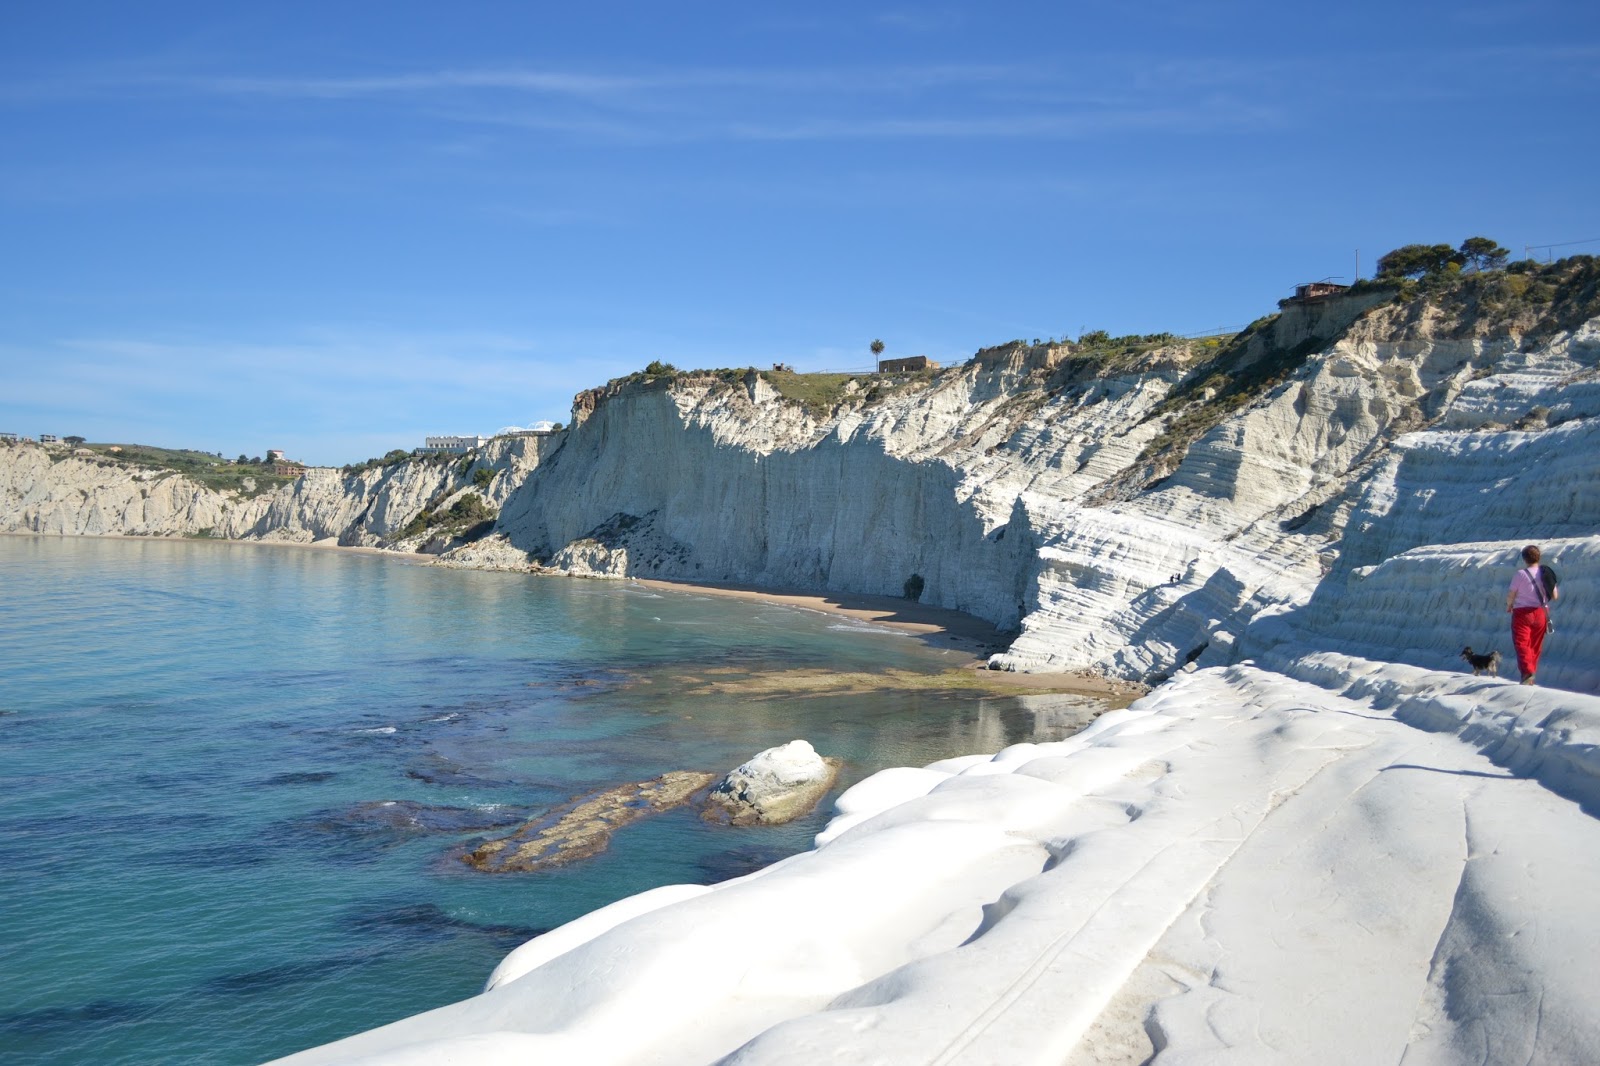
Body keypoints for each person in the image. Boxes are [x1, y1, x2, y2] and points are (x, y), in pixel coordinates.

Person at [1505, 545, 1559, 685]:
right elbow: (1555, 595)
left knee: (1522, 643)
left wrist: (1509, 605)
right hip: (1541, 612)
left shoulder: (1520, 574)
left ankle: (1527, 672)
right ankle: (1531, 675)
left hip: (1522, 613)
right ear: (1539, 557)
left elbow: (1511, 594)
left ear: (1524, 559)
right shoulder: (1546, 572)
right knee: (1535, 645)